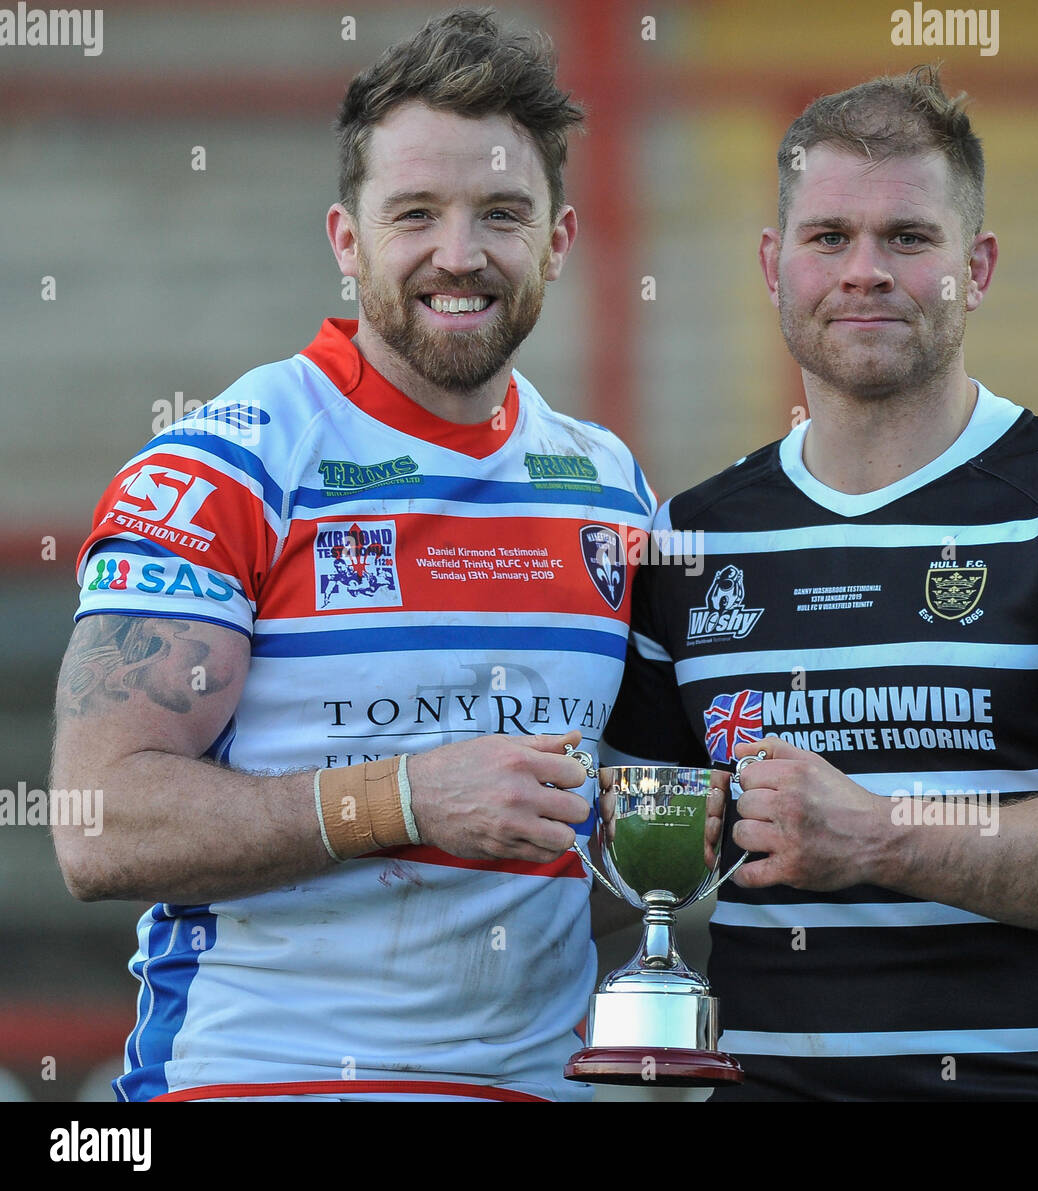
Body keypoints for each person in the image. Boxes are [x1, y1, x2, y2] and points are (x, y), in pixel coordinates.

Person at [50, 10, 654, 1103]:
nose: (458, 256)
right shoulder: (228, 465)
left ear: (559, 241)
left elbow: (598, 863)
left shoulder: (609, 485)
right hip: (260, 1081)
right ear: (347, 240)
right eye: (414, 214)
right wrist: (403, 800)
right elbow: (96, 823)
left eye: (502, 215)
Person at [602, 65, 1038, 1101]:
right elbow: (642, 869)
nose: (865, 271)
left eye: (908, 238)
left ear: (975, 266)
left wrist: (877, 835)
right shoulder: (689, 537)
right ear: (772, 263)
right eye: (829, 237)